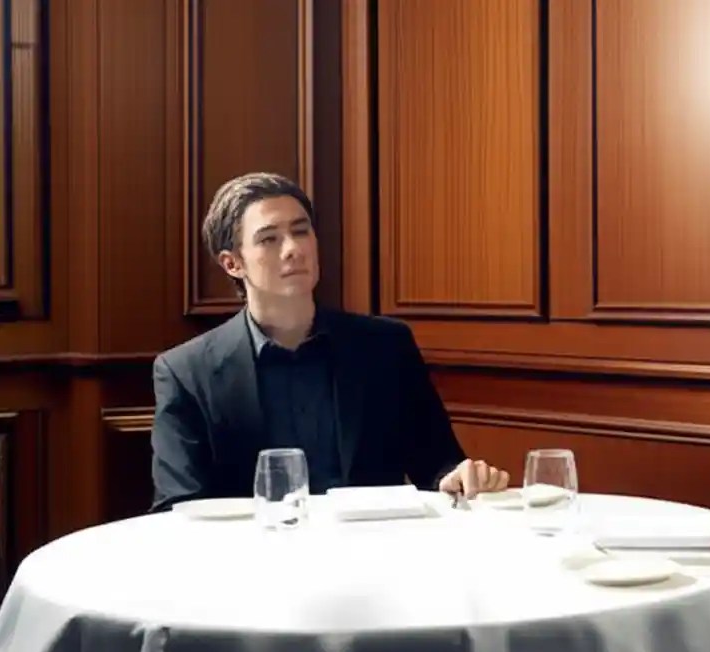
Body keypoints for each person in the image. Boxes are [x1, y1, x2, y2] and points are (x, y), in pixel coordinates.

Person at [150, 172, 509, 512]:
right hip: (255, 566)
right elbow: (178, 507)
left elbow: (437, 465)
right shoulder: (186, 372)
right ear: (232, 263)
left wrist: (459, 478)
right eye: (269, 238)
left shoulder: (386, 346)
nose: (293, 249)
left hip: (374, 556)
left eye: (301, 231)